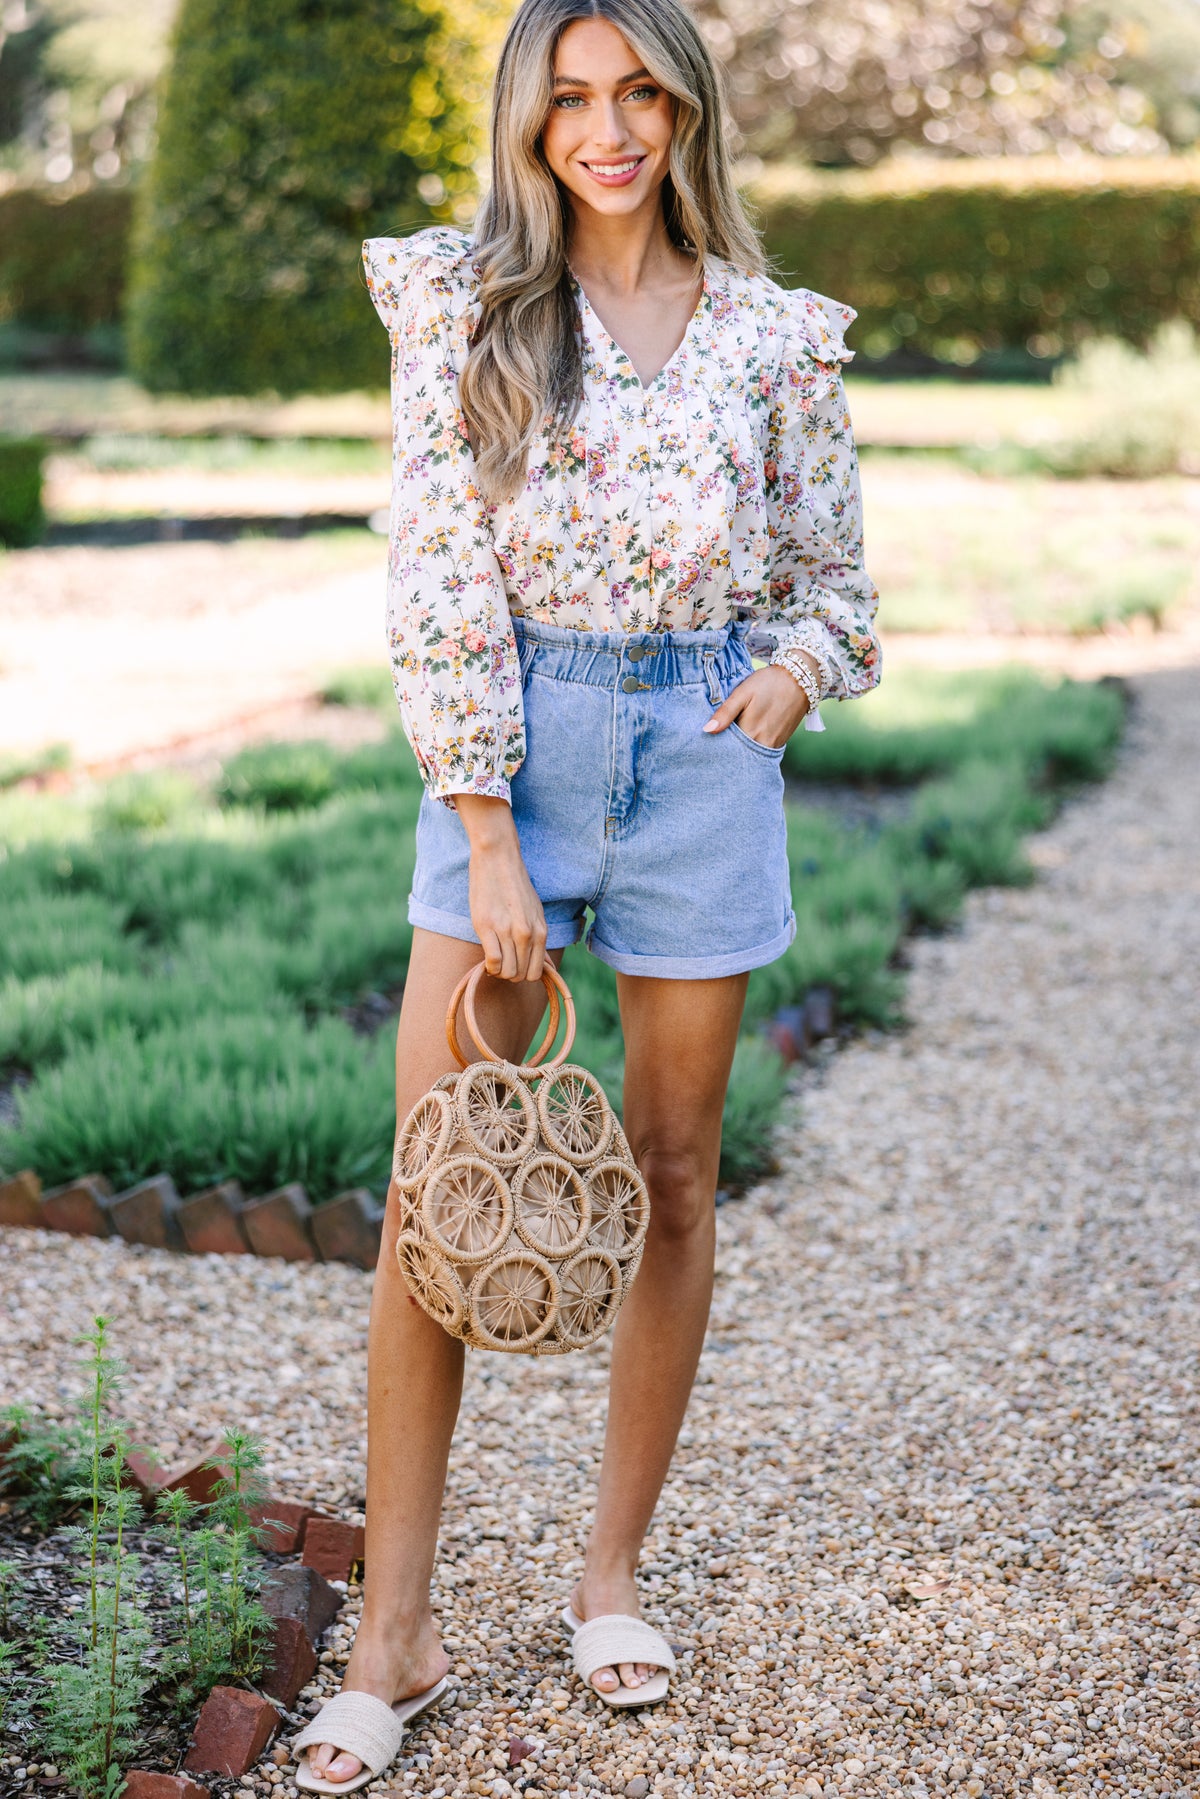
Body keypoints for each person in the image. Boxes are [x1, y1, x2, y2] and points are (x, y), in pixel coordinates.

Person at [292, 0, 880, 1786]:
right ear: (527, 120)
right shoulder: (464, 304)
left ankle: (607, 1574)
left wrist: (785, 679)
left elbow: (831, 578)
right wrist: (485, 830)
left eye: (639, 93)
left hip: (703, 760)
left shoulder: (776, 339)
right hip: (514, 755)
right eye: (571, 99)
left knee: (675, 1174)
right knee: (435, 1199)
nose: (607, 130)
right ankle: (394, 1631)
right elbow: (434, 568)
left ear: (687, 108)